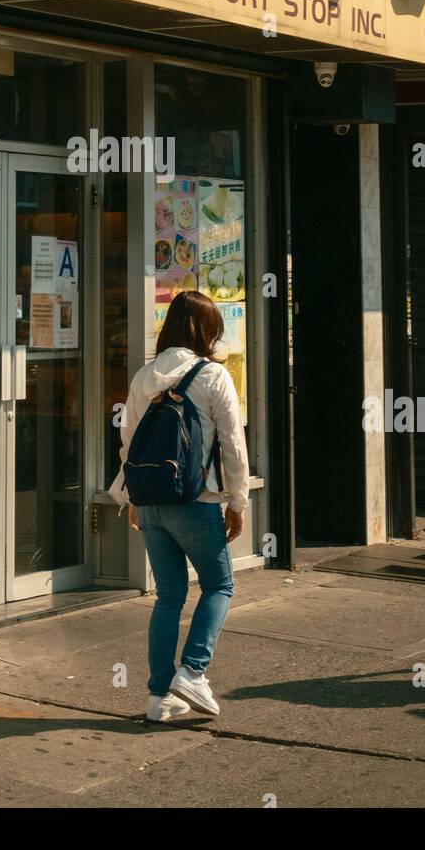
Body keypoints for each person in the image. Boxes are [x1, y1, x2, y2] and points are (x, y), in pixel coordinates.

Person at [110, 290, 250, 723]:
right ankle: (192, 671)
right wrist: (238, 501)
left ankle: (158, 697)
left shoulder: (143, 375)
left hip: (151, 501)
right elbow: (233, 445)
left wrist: (132, 497)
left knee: (169, 596)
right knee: (219, 585)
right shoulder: (213, 377)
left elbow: (128, 443)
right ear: (208, 332)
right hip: (197, 500)